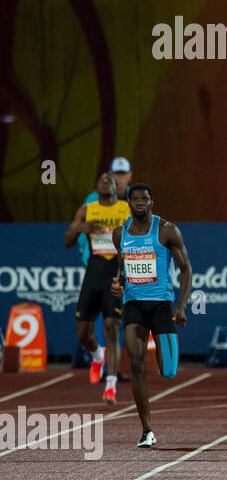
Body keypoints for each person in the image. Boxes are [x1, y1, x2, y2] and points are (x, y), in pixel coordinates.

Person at [108, 184, 193, 448]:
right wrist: (118, 284)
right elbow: (121, 267)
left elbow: (186, 268)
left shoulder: (167, 230)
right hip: (133, 304)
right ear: (128, 204)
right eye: (135, 200)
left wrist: (181, 306)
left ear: (152, 203)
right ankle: (146, 429)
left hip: (161, 304)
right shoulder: (120, 233)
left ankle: (163, 352)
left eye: (145, 199)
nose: (140, 203)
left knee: (168, 370)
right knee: (136, 364)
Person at [63, 172, 130, 403]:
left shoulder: (126, 209)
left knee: (112, 328)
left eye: (110, 180)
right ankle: (97, 355)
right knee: (83, 334)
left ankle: (110, 386)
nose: (105, 183)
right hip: (93, 274)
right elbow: (67, 240)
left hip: (116, 274)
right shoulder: (87, 210)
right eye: (101, 180)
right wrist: (83, 228)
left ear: (116, 187)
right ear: (96, 187)